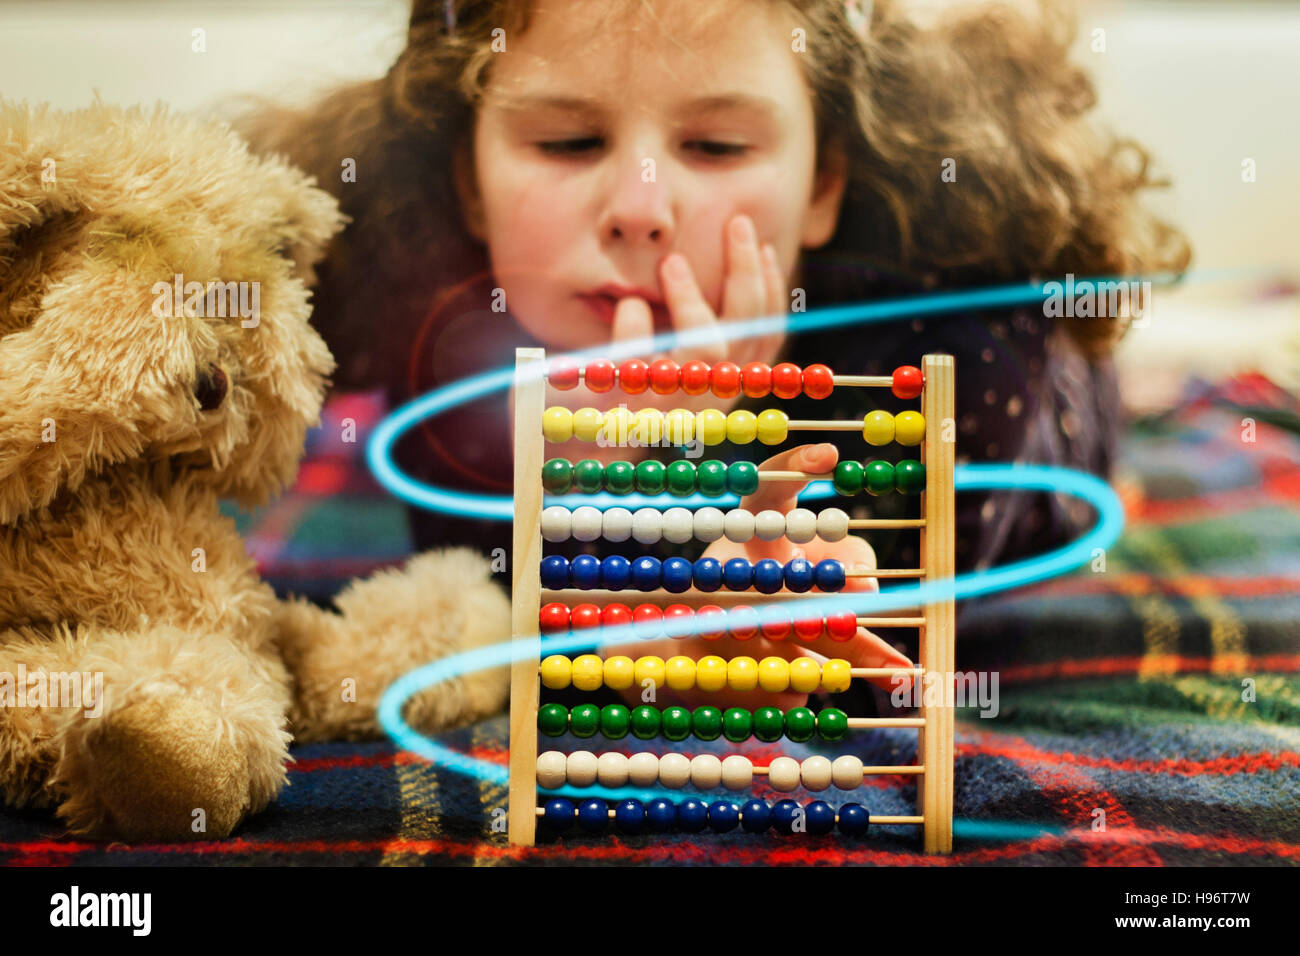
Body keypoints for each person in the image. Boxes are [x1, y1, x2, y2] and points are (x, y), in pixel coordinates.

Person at [230, 0, 1190, 717]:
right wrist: (591, 473)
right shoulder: (443, 317)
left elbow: (874, 649)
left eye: (719, 144)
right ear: (469, 186)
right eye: (568, 140)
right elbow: (472, 573)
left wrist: (720, 468)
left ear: (823, 184)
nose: (641, 205)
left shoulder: (967, 348)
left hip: (1049, 431)